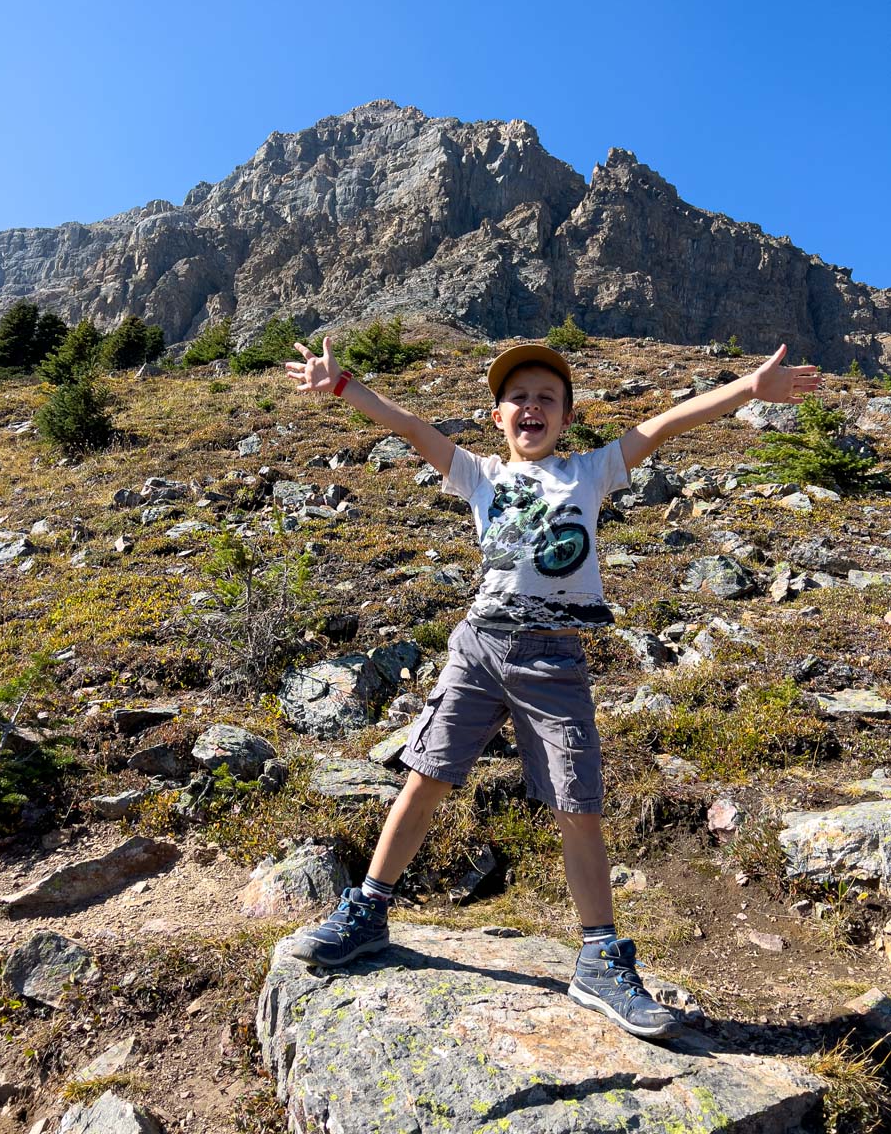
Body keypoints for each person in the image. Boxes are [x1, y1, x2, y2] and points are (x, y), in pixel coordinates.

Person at [283, 336, 819, 1039]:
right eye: (518, 398)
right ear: (497, 416)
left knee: (577, 802)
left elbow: (666, 423)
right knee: (426, 777)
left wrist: (750, 388)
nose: (531, 407)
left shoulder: (591, 472)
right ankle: (368, 909)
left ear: (566, 417)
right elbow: (411, 427)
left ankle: (598, 957)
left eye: (547, 398)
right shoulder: (477, 474)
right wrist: (342, 386)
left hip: (554, 661)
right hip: (479, 648)